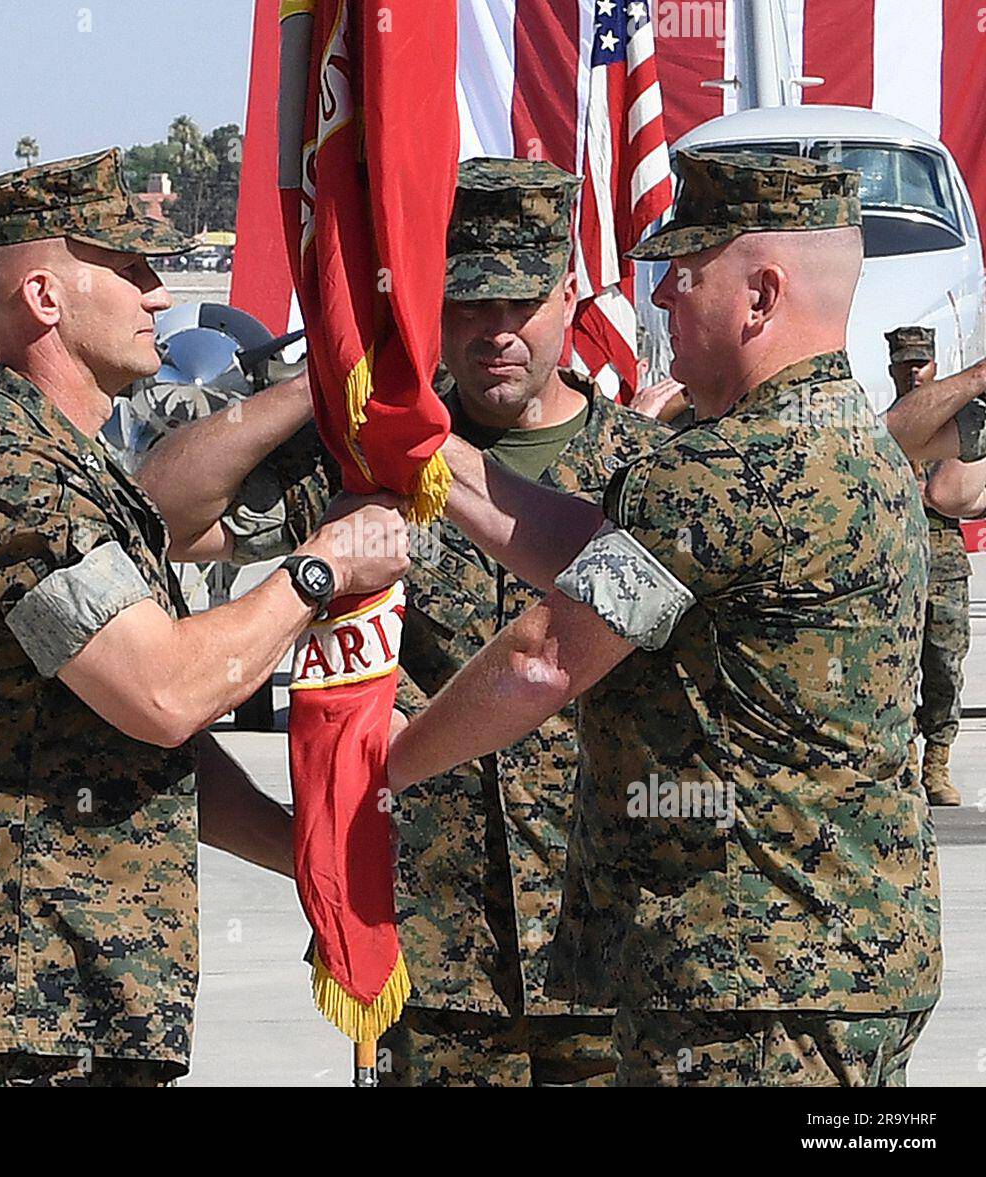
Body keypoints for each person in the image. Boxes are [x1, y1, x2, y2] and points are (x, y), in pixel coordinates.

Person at [385, 150, 941, 1086]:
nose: (660, 301)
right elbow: (595, 548)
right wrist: (432, 449)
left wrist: (384, 767)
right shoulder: (847, 441)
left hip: (748, 983)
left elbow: (541, 659)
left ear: (760, 296)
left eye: (684, 278)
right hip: (838, 956)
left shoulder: (726, 470)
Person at [0, 147, 409, 1088]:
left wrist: (307, 856)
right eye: (129, 270)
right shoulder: (10, 479)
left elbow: (139, 744)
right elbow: (162, 691)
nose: (159, 295)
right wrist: (320, 572)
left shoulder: (73, 472)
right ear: (45, 299)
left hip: (84, 1003)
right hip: (25, 1007)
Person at [140, 158, 676, 1086]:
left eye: (522, 303)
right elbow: (163, 513)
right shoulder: (366, 460)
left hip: (612, 939)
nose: (498, 332)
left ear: (569, 299)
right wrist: (327, 381)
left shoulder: (650, 473)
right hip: (425, 942)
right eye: (468, 305)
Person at [886, 327, 973, 806]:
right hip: (893, 565)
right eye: (904, 363)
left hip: (942, 567)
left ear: (936, 366)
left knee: (943, 665)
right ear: (891, 368)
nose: (913, 371)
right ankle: (899, 765)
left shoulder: (959, 421)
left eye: (921, 362)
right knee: (889, 668)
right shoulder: (879, 423)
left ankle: (936, 764)